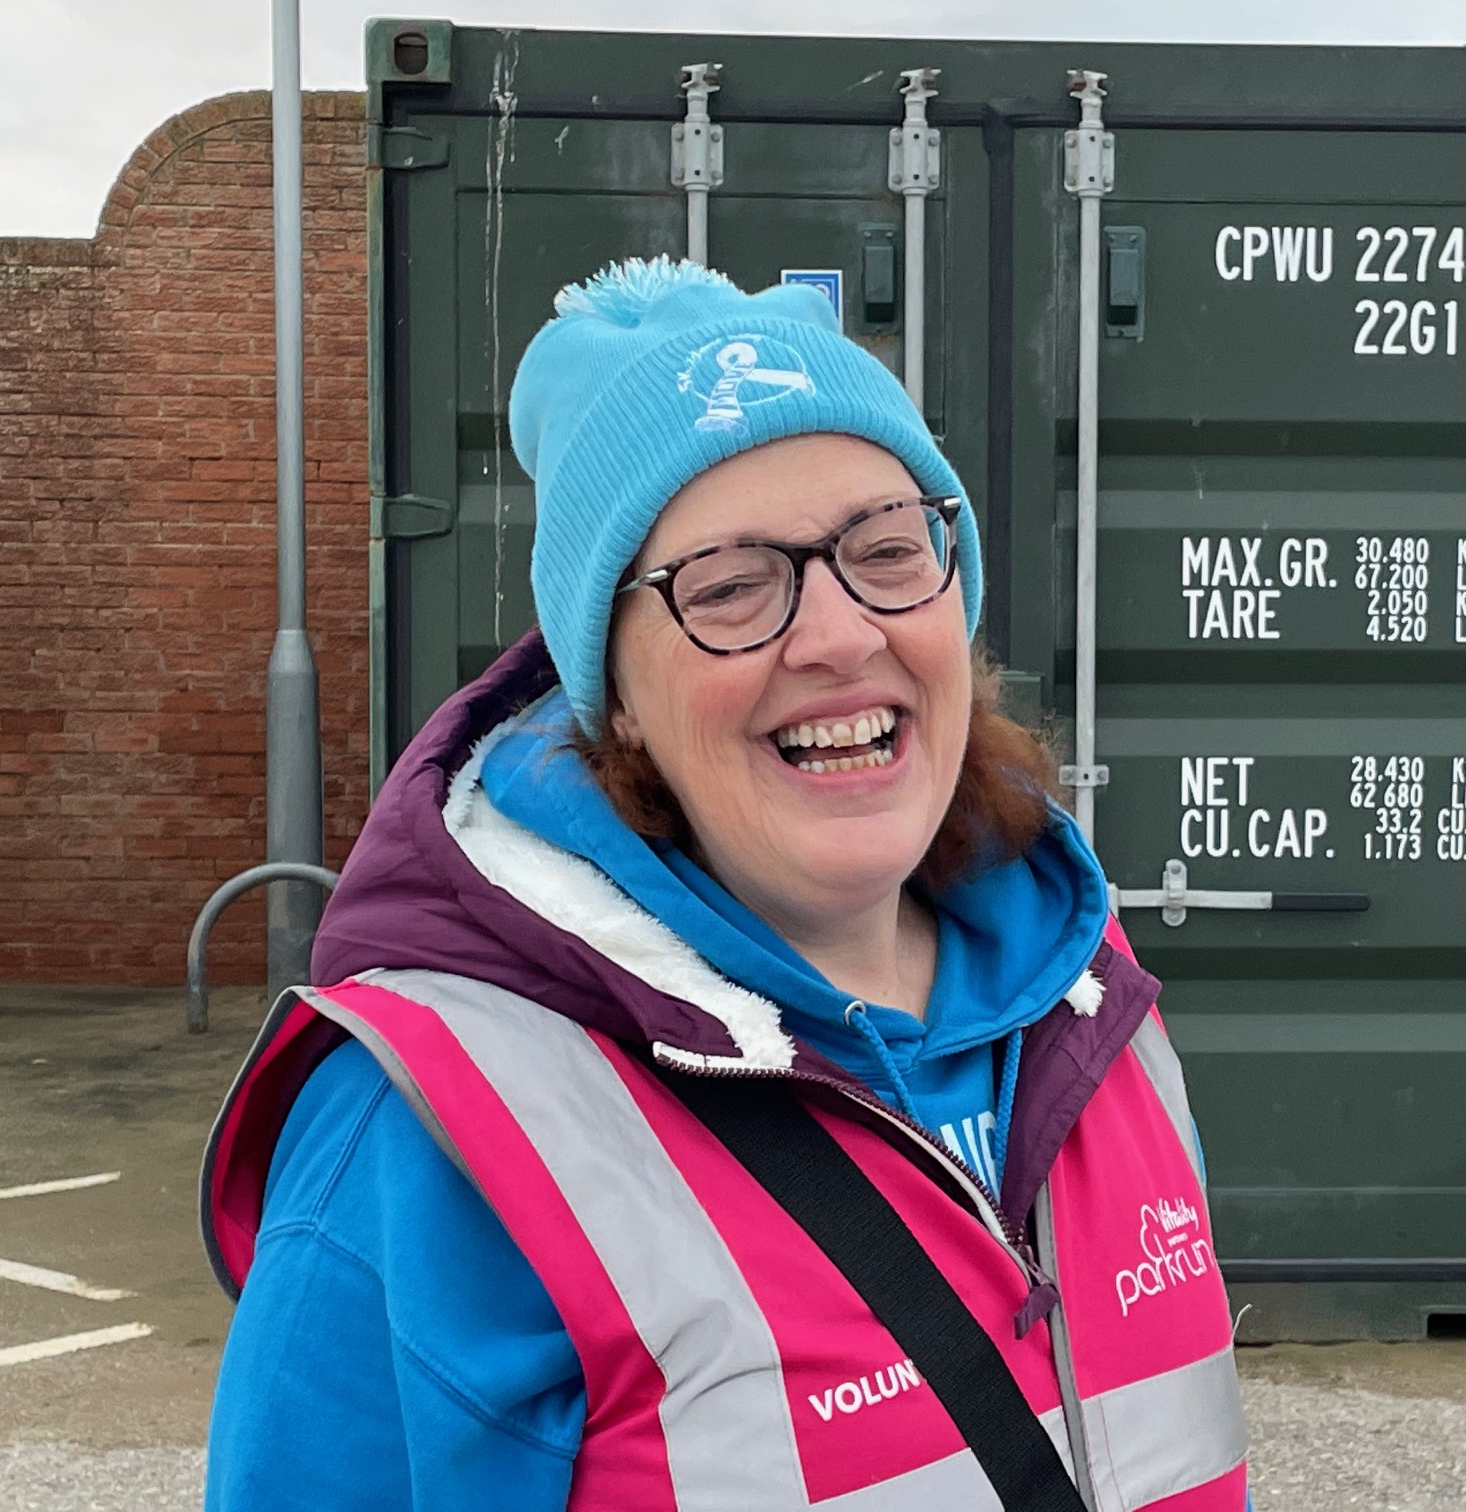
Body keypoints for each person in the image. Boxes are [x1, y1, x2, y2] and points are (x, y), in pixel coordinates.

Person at [202, 257, 1249, 1509]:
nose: (841, 634)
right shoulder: (431, 1140)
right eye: (731, 588)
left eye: (888, 547)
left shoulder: (1093, 999)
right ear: (617, 705)